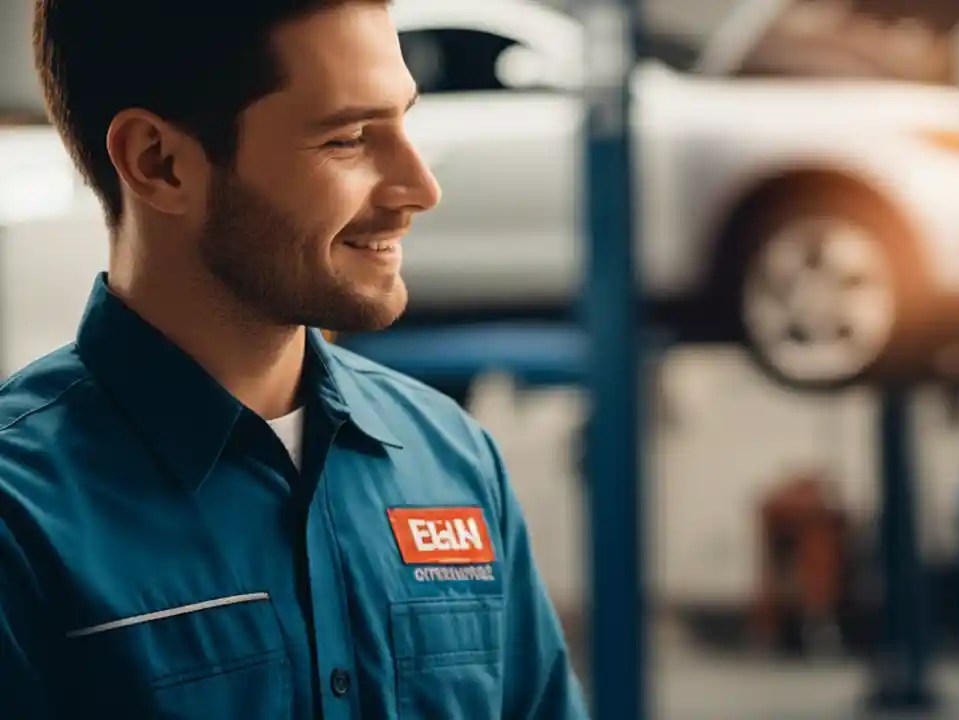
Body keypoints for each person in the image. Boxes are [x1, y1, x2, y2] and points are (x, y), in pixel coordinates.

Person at [0, 1, 589, 718]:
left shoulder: (454, 461)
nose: (420, 189)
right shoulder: (20, 519)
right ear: (160, 163)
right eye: (346, 139)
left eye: (405, 119)